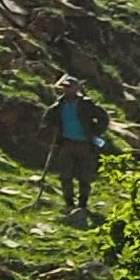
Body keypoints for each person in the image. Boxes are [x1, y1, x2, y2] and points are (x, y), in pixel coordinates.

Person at [46, 77, 109, 223]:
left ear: (76, 88)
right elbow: (47, 119)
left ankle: (82, 204)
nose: (66, 90)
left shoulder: (86, 104)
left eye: (69, 87)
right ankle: (69, 203)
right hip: (66, 144)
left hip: (85, 144)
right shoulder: (58, 105)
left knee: (84, 175)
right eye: (64, 87)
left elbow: (103, 117)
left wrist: (96, 131)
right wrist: (53, 130)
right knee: (65, 175)